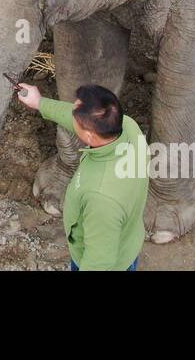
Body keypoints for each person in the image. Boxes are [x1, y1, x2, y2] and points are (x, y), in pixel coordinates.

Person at [15, 81, 148, 271]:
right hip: (127, 243)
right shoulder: (128, 128)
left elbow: (99, 262)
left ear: (89, 137)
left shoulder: (101, 199)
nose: (72, 115)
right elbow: (82, 121)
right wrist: (40, 103)